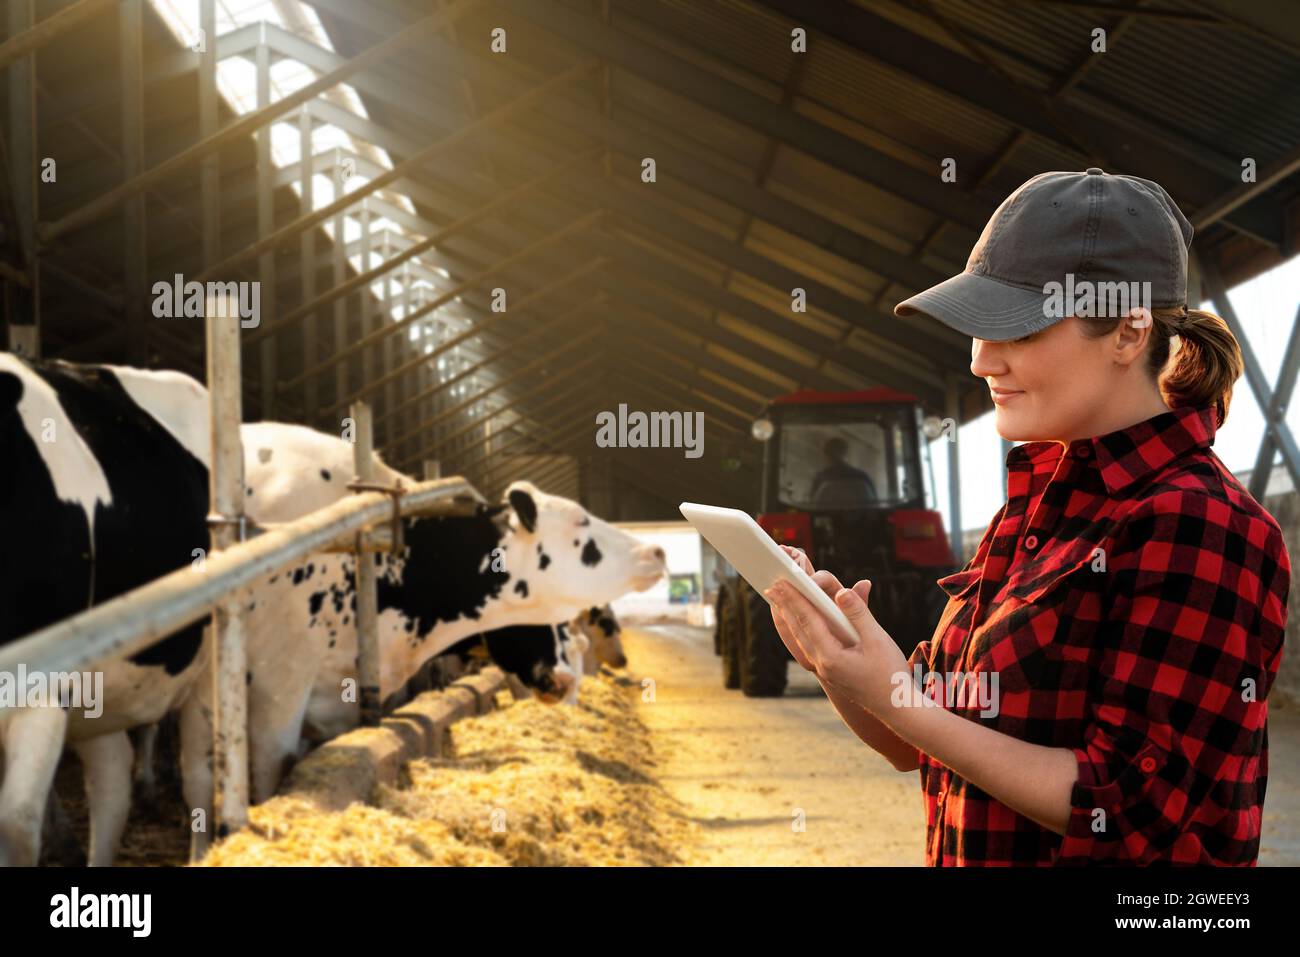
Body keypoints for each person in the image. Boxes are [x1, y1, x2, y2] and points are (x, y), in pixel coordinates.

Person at [763, 168, 1290, 865]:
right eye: (978, 328)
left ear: (1129, 330)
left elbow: (1125, 808)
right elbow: (919, 744)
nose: (982, 359)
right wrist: (839, 660)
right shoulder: (1033, 507)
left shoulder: (1203, 522)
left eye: (1016, 327)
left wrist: (898, 700)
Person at [809, 436, 877, 505]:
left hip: (826, 515)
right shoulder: (862, 477)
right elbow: (874, 503)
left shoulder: (820, 477)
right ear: (845, 453)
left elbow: (812, 504)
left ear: (825, 454)